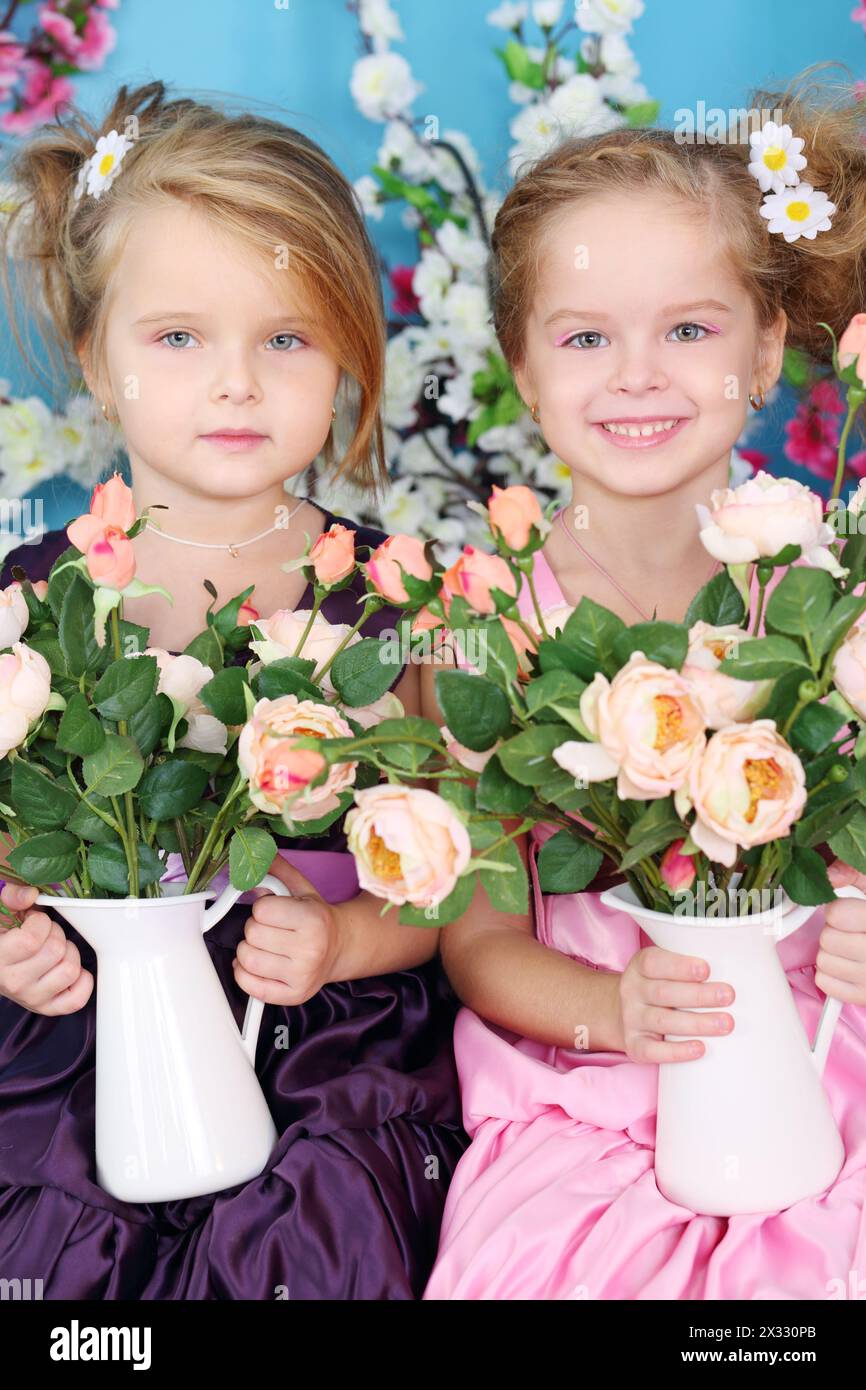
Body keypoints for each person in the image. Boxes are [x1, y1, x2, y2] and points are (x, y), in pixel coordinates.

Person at [0, 80, 469, 1300]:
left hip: (315, 1049)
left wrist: (344, 938)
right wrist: (7, 941)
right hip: (80, 1052)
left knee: (313, 1250)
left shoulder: (400, 603)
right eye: (178, 337)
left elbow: (451, 886)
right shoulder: (24, 610)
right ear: (97, 364)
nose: (237, 382)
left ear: (350, 352)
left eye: (287, 337)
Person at [423, 69, 866, 1300]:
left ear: (767, 348)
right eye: (582, 336)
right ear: (519, 364)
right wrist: (610, 1011)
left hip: (823, 1042)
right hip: (594, 1081)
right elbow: (477, 936)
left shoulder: (826, 590)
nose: (635, 375)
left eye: (687, 328)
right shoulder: (483, 620)